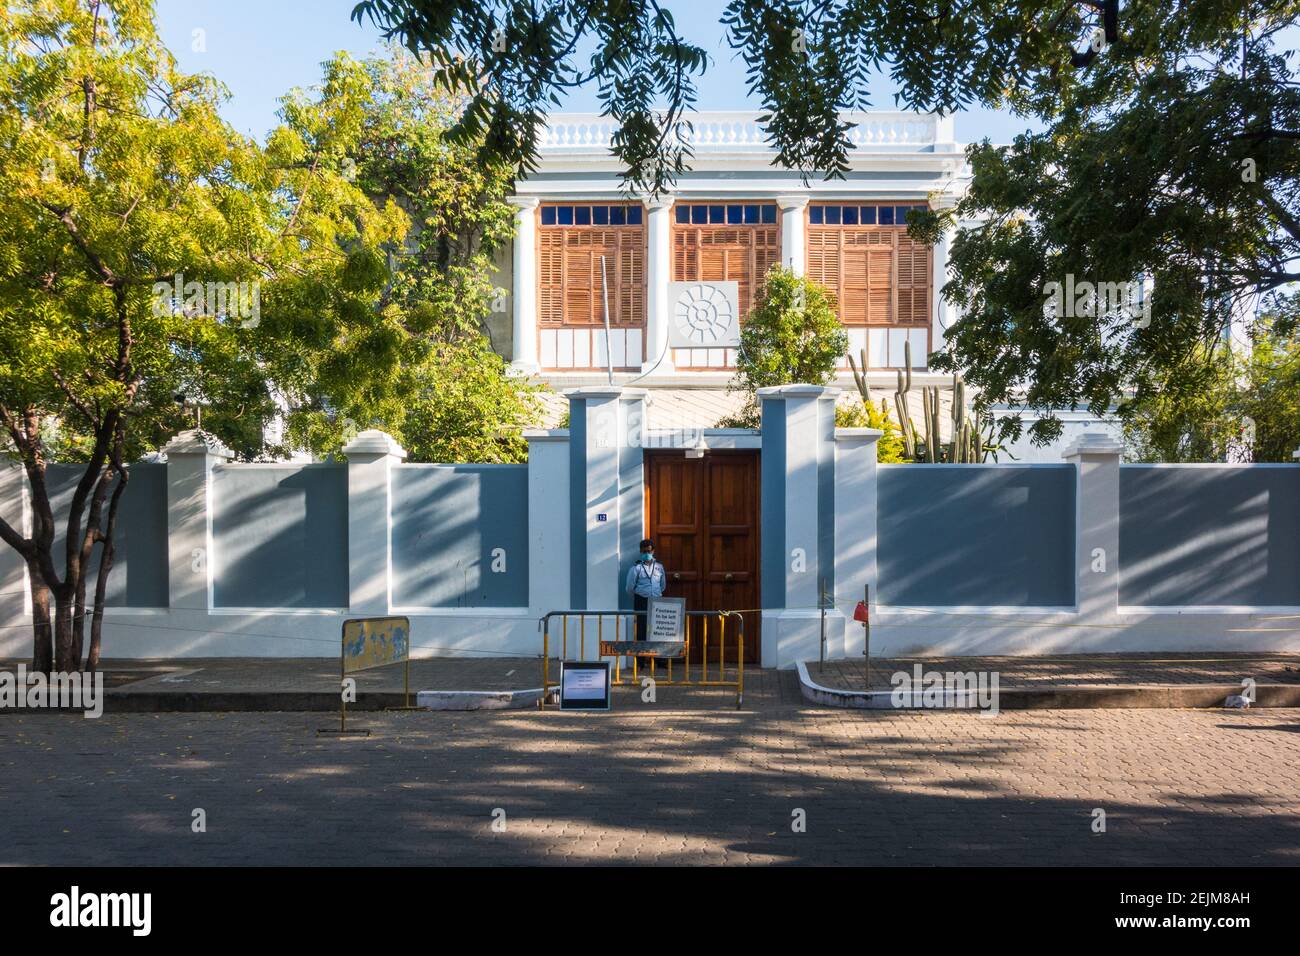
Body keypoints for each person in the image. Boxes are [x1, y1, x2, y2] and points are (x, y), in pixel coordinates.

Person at [625, 538, 666, 641]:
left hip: (656, 601)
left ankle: (657, 657)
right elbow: (629, 588)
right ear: (640, 552)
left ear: (653, 551)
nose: (646, 553)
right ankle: (641, 657)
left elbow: (662, 585)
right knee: (641, 630)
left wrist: (656, 594)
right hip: (641, 602)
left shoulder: (659, 567)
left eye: (649, 551)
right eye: (644, 551)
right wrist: (639, 597)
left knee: (657, 629)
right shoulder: (636, 568)